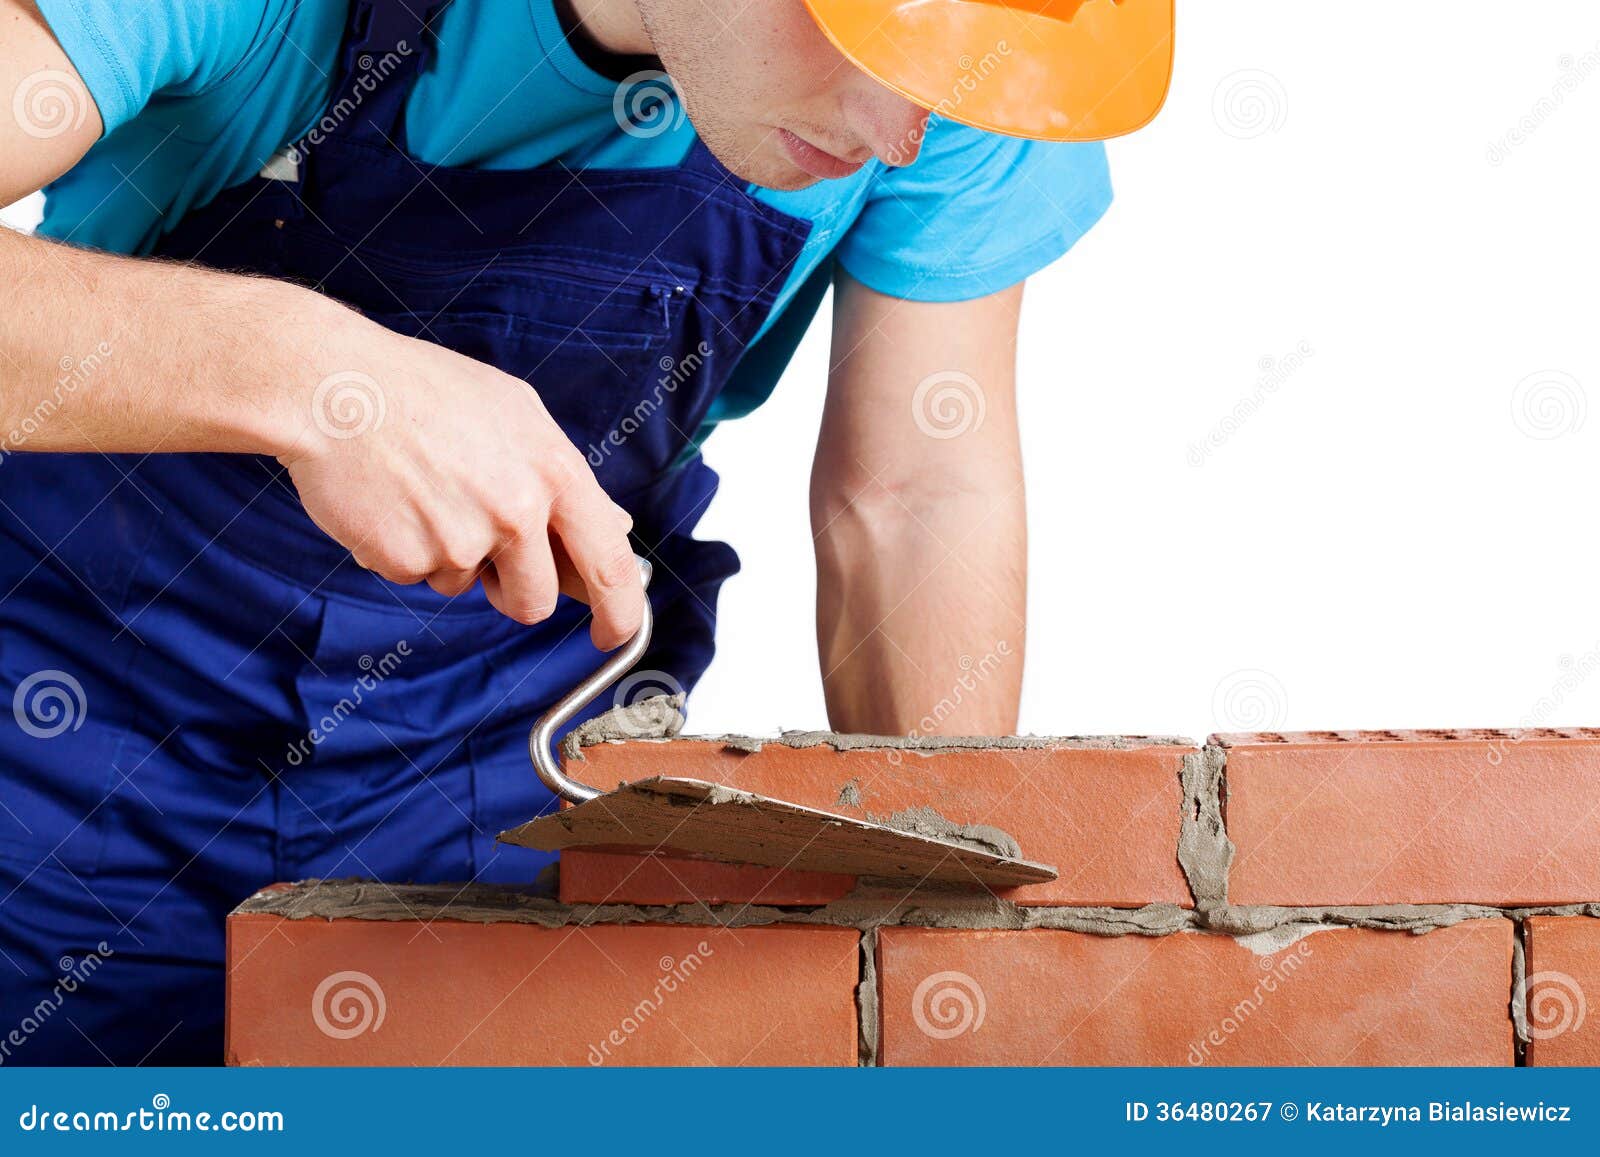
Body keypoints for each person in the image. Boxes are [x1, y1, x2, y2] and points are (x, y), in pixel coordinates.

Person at [0, 0, 1170, 1062]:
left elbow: (914, 491)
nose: (905, 131)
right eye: (883, 47)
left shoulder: (976, 73)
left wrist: (949, 933)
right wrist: (309, 374)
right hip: (46, 764)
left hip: (476, 811)